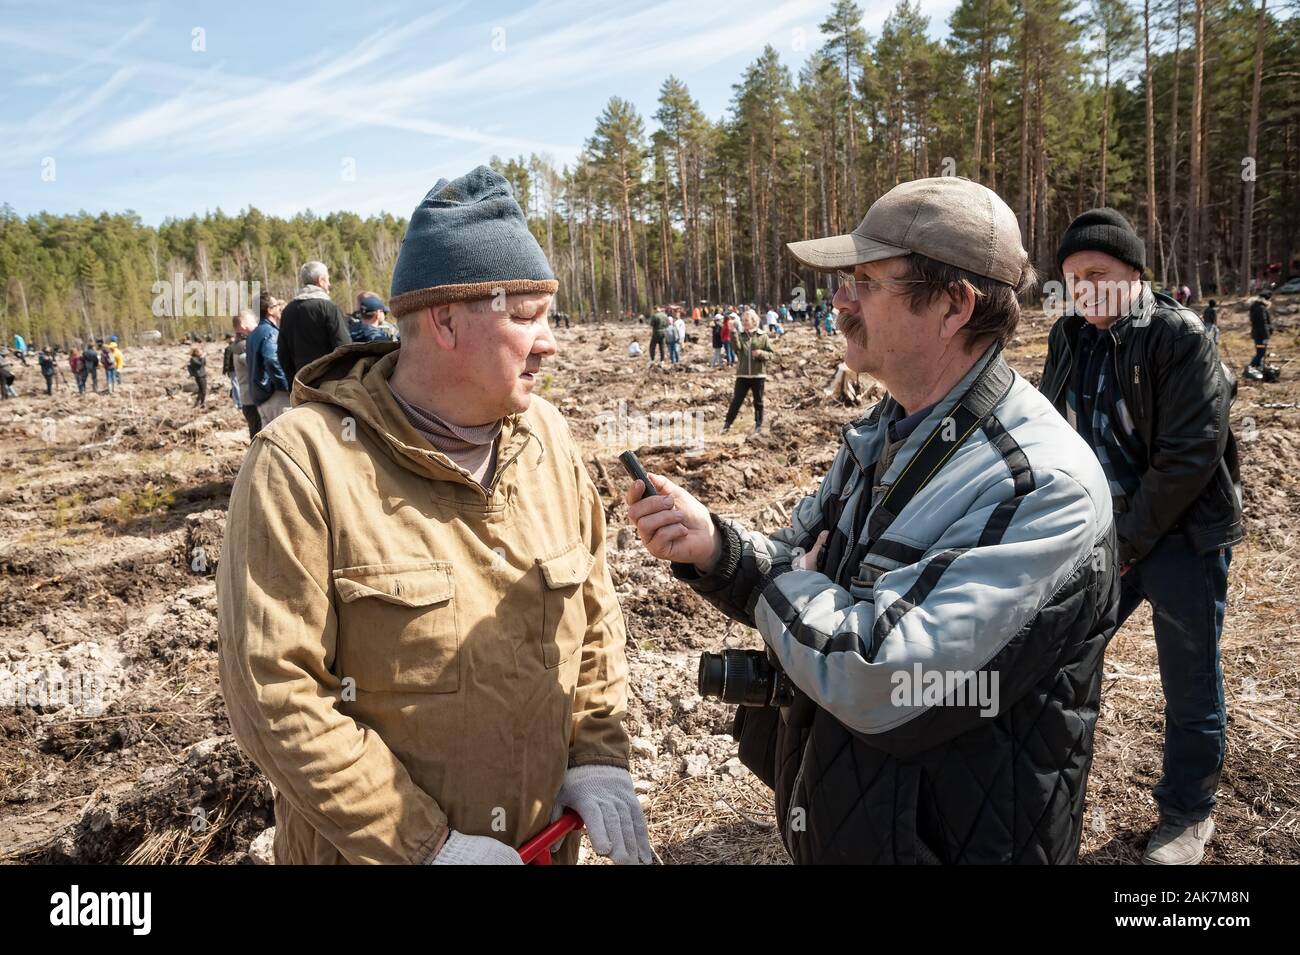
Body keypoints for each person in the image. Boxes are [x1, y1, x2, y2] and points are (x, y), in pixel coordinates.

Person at [627, 176, 1116, 865]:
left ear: (952, 305)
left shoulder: (1038, 487)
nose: (838, 302)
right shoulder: (883, 433)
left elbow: (886, 676)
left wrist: (786, 587)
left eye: (863, 281)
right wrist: (712, 545)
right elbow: (797, 567)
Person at [218, 166, 649, 866]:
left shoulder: (549, 438)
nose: (552, 341)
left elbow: (595, 614)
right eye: (526, 316)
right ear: (445, 320)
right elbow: (277, 694)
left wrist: (597, 751)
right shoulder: (303, 464)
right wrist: (424, 845)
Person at [1041, 208, 1242, 865]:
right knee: (1058, 655)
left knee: (1189, 678)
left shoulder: (1180, 337)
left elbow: (1190, 454)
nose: (1083, 291)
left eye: (1096, 274)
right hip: (1106, 535)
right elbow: (1051, 430)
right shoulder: (1069, 337)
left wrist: (1123, 543)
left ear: (1134, 271)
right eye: (1072, 279)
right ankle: (1044, 795)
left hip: (1182, 537)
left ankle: (1187, 813)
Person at [277, 261, 350, 384]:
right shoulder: (328, 307)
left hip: (301, 382)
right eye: (328, 280)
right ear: (320, 280)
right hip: (329, 384)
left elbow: (283, 353)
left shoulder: (288, 310)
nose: (329, 284)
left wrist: (293, 383)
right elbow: (344, 348)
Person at [721, 309, 773, 434]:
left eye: (747, 320)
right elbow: (736, 348)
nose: (744, 323)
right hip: (743, 374)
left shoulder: (762, 335)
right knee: (737, 400)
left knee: (758, 401)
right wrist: (733, 332)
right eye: (743, 320)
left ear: (754, 321)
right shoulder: (740, 335)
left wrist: (760, 353)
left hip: (758, 374)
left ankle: (758, 425)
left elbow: (771, 354)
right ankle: (727, 425)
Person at [246, 292, 291, 428]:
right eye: (277, 305)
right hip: (276, 396)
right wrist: (287, 387)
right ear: (270, 310)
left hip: (260, 398)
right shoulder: (271, 333)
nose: (280, 308)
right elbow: (272, 360)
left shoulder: (252, 335)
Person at [231, 312, 260, 439]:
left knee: (255, 432)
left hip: (248, 397)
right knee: (257, 434)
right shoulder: (243, 346)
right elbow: (255, 364)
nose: (256, 325)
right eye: (253, 322)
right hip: (251, 398)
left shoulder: (239, 344)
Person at [1248, 294, 1272, 369]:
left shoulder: (1254, 308)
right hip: (1261, 336)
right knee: (1261, 352)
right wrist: (1266, 336)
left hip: (1257, 335)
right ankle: (1252, 366)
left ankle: (1258, 366)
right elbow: (1263, 323)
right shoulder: (1261, 309)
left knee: (1260, 351)